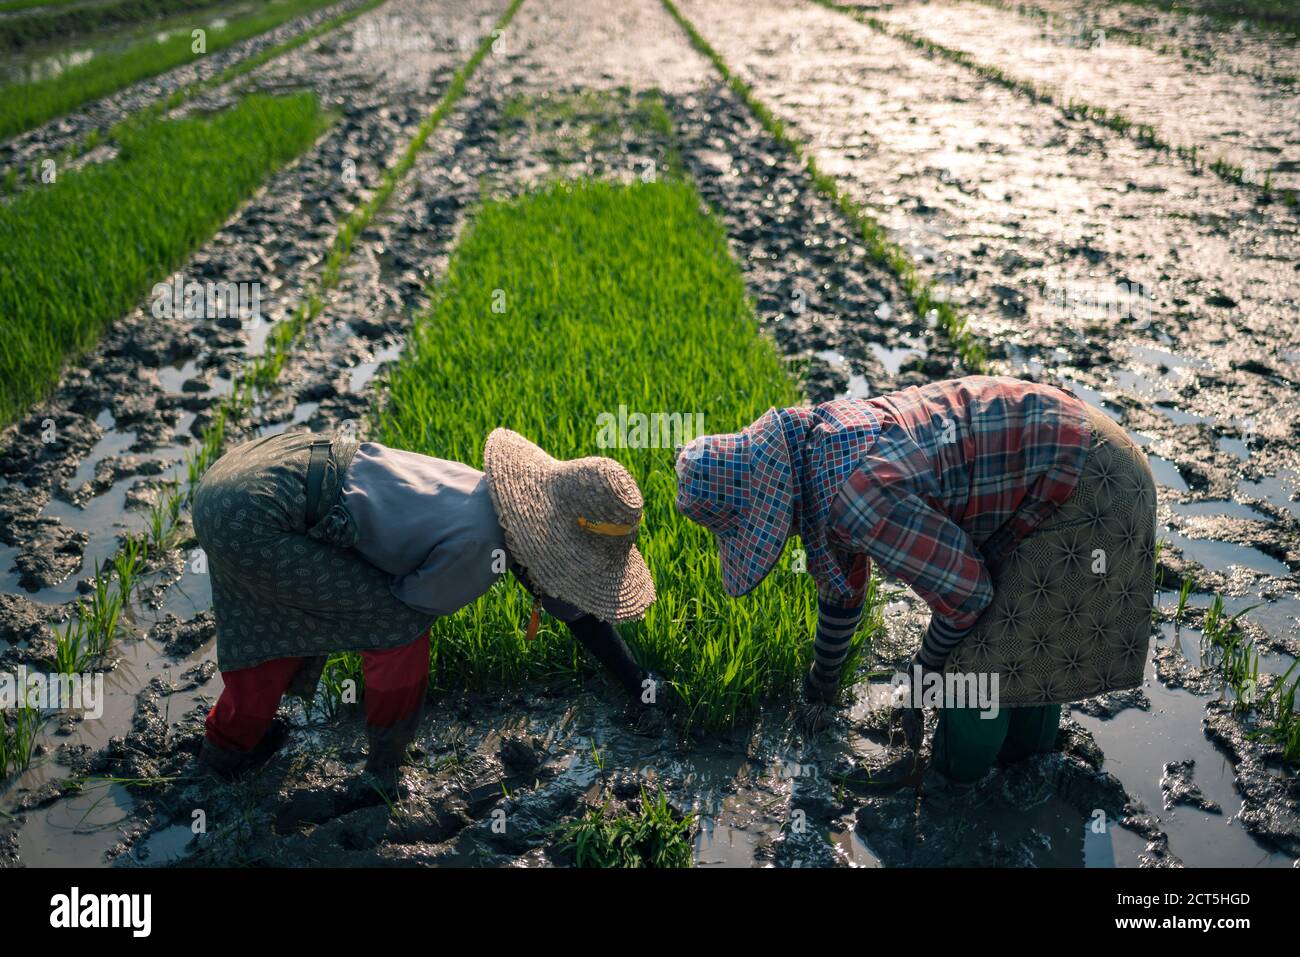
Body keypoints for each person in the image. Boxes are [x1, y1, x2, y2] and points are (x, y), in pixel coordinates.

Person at [674, 375, 1156, 784]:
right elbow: (842, 598)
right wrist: (819, 692)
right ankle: (1028, 770)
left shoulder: (858, 496)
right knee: (1026, 645)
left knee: (975, 672)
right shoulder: (827, 442)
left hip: (1088, 489)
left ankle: (967, 788)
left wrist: (920, 677)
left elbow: (967, 596)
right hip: (1083, 443)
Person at [191, 425, 658, 788]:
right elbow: (407, 608)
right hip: (260, 515)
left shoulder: (486, 494)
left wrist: (637, 684)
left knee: (283, 615)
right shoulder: (479, 545)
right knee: (397, 626)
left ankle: (227, 746)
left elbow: (569, 607)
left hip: (249, 477)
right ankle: (383, 770)